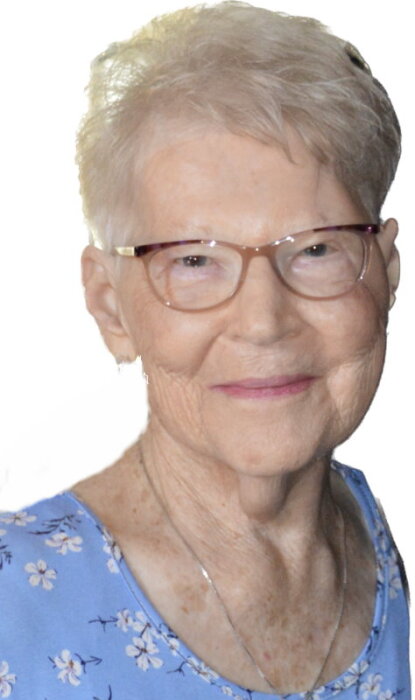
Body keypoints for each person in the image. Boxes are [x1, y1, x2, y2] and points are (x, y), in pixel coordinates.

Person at [0, 2, 410, 698]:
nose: (263, 322)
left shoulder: (371, 534)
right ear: (110, 304)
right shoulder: (14, 605)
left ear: (386, 272)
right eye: (194, 260)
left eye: (316, 249)